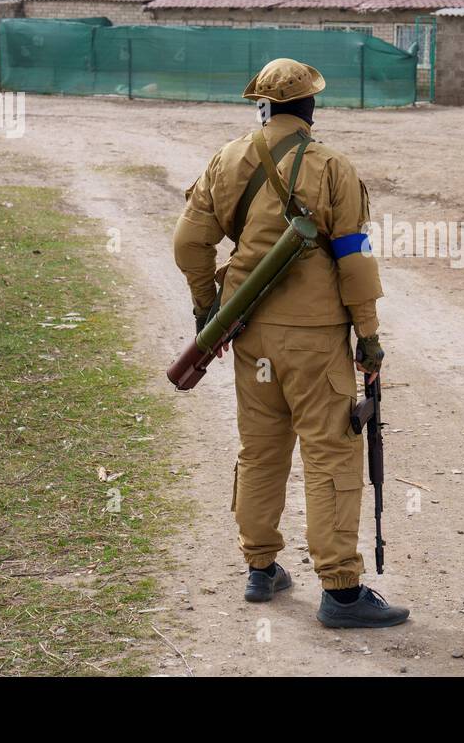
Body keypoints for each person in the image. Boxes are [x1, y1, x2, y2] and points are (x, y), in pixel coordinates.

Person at [173, 57, 410, 628]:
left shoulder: (227, 159)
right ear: (310, 108)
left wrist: (210, 310)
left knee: (262, 448)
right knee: (331, 451)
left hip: (249, 333)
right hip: (315, 341)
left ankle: (261, 569)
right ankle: (342, 592)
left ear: (262, 105)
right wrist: (369, 339)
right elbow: (354, 259)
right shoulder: (332, 167)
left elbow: (189, 244)